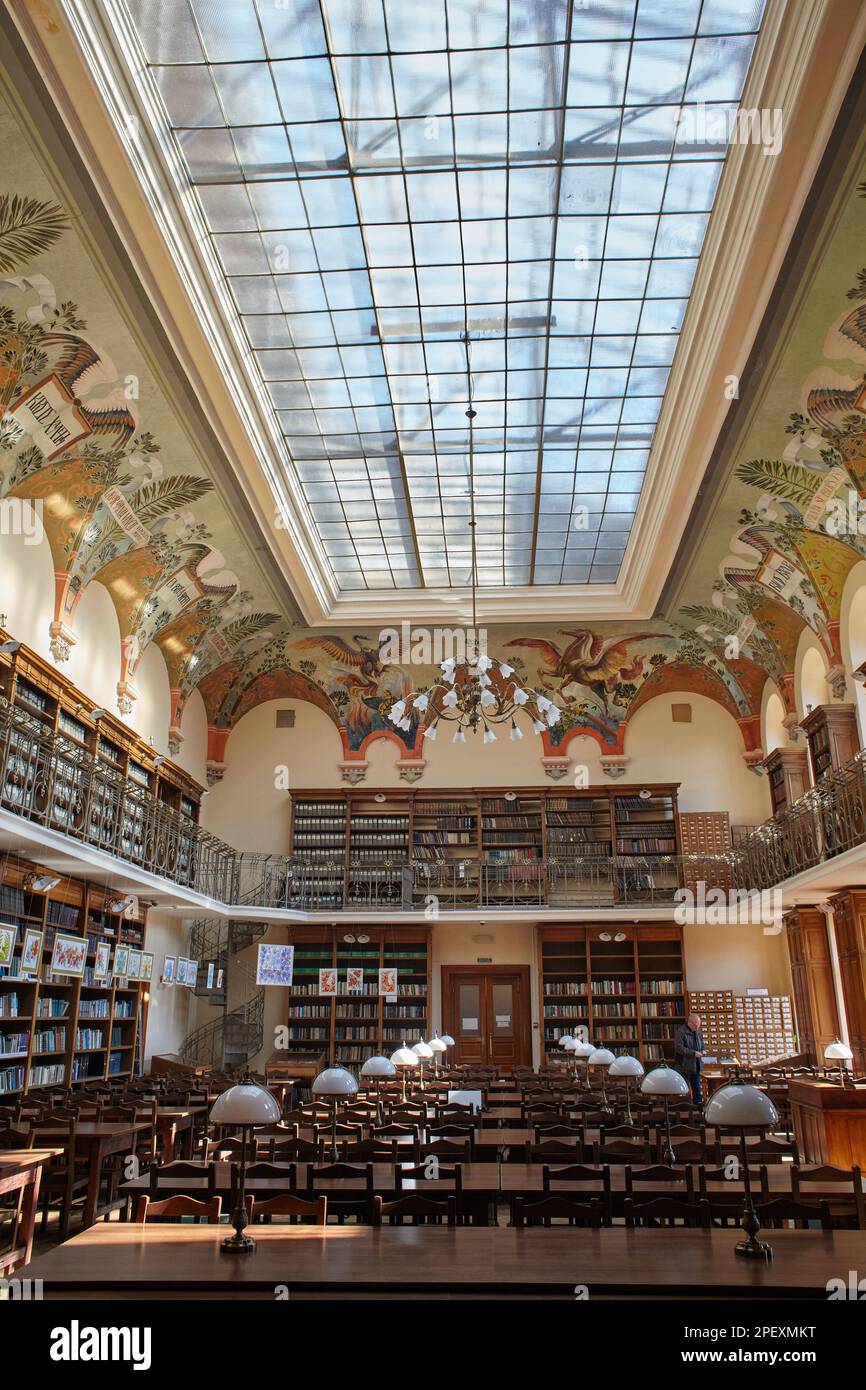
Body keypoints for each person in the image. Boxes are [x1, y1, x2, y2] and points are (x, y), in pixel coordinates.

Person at [674, 1013, 706, 1105]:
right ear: (690, 1023)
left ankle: (698, 1108)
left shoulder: (698, 1032)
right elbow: (679, 1048)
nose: (697, 1027)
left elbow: (702, 1045)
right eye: (696, 1025)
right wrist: (693, 1053)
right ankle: (684, 1109)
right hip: (684, 1067)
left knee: (697, 1089)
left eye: (698, 1025)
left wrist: (703, 1051)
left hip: (696, 1066)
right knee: (684, 1090)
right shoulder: (681, 1032)